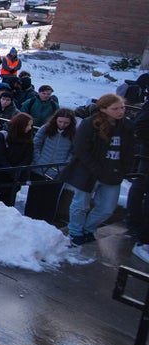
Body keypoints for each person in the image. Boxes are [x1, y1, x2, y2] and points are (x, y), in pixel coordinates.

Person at [62, 94, 134, 247]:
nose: (120, 111)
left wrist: (124, 169)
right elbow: (80, 149)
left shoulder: (126, 126)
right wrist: (95, 168)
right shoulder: (90, 124)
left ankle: (88, 229)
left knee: (107, 208)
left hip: (113, 172)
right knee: (81, 204)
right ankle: (75, 231)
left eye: (122, 108)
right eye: (115, 109)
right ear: (103, 109)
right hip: (89, 172)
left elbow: (129, 150)